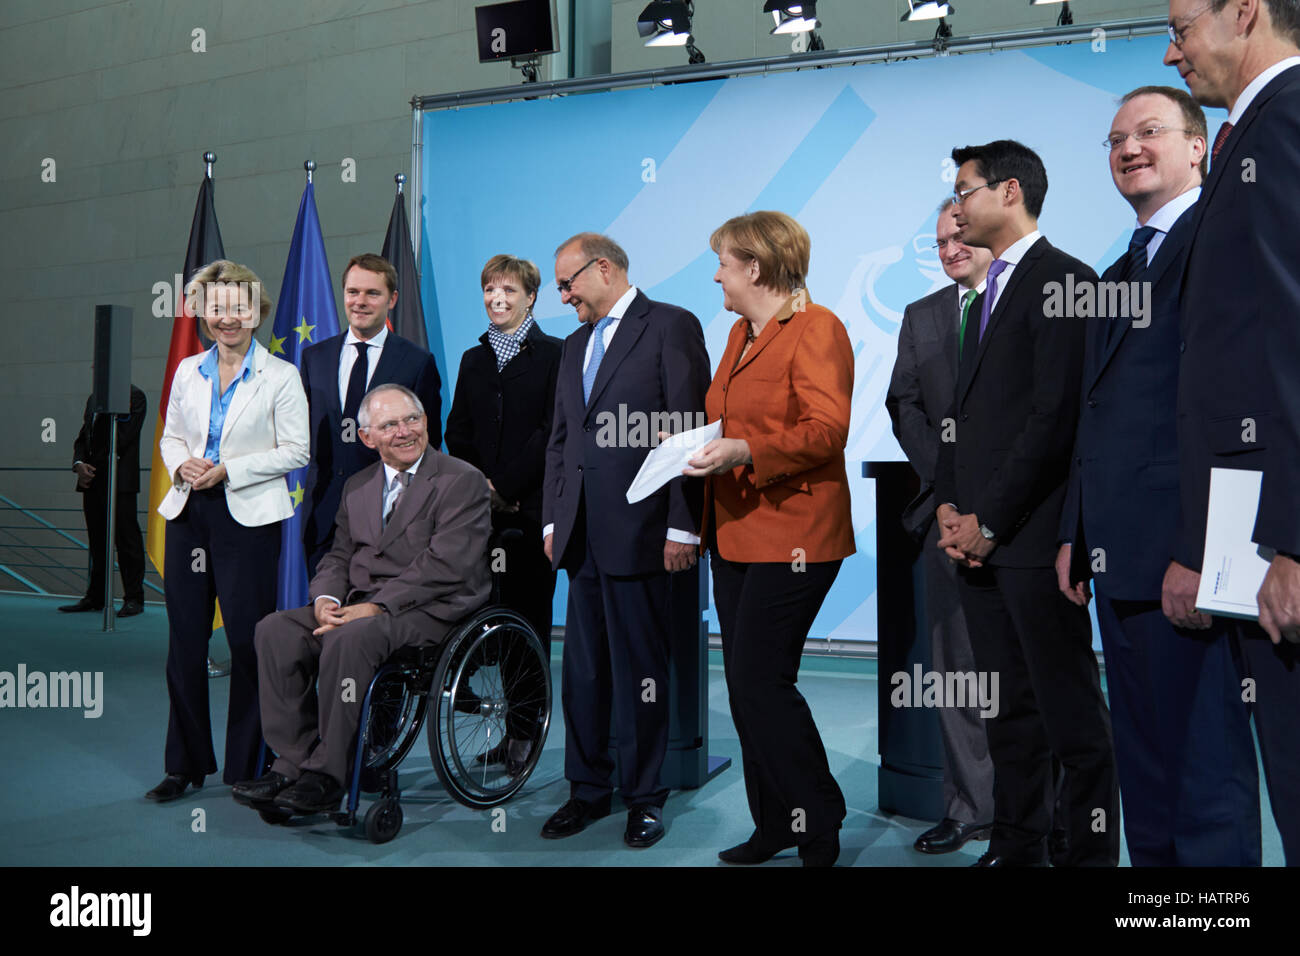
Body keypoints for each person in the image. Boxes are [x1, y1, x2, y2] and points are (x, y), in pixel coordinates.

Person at [1056, 85, 1261, 866]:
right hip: (1119, 564)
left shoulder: (1223, 241)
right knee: (1144, 774)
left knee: (1205, 776)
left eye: (1148, 132)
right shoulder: (1116, 273)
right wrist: (1076, 532)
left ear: (1198, 146)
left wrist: (1202, 552)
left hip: (1187, 562)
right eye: (1115, 140)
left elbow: (1236, 409)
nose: (1128, 149)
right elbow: (1098, 411)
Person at [934, 141, 1118, 866]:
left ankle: (1086, 855)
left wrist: (989, 520)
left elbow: (1054, 419)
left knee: (1070, 714)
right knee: (1007, 710)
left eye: (965, 191)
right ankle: (1018, 844)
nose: (956, 208)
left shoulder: (1066, 280)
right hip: (978, 543)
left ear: (1009, 191)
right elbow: (966, 414)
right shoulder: (988, 291)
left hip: (1036, 541)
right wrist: (951, 506)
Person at [1163, 0, 1300, 863]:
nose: (1170, 52)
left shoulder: (1284, 122)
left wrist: (1294, 542)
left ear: (1245, 11)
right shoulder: (1252, 134)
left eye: (1180, 28)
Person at [233, 384, 491, 814]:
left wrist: (375, 606)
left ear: (427, 422)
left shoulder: (460, 480)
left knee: (349, 637)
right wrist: (325, 599)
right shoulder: (357, 486)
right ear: (367, 437)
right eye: (389, 425)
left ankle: (328, 773)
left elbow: (446, 565)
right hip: (359, 603)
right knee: (275, 630)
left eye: (412, 419)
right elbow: (339, 555)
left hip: (431, 608)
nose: (404, 431)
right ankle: (293, 763)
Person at [684, 211, 853, 867]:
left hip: (796, 536)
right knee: (745, 686)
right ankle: (776, 823)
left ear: (755, 267)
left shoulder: (817, 327)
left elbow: (825, 430)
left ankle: (819, 816)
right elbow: (729, 418)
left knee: (761, 682)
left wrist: (746, 449)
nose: (716, 276)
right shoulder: (738, 333)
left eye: (723, 263)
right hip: (734, 535)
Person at [540, 233, 710, 849]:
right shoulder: (573, 345)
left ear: (604, 268)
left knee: (641, 672)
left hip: (643, 533)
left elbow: (688, 430)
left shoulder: (670, 326)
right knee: (583, 673)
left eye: (568, 284)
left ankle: (644, 798)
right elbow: (562, 438)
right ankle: (586, 790)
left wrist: (682, 525)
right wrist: (553, 520)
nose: (563, 297)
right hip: (579, 536)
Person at [149, 260, 309, 802]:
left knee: (247, 642)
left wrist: (230, 469)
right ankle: (184, 764)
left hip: (249, 521)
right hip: (188, 514)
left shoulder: (281, 375)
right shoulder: (187, 370)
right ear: (203, 312)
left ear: (257, 312)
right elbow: (171, 436)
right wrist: (183, 462)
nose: (227, 317)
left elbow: (297, 450)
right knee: (185, 642)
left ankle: (247, 764)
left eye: (239, 307)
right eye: (217, 307)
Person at [886, 200, 995, 855]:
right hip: (944, 519)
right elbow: (905, 405)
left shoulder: (1026, 302)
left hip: (1021, 521)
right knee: (956, 673)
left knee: (1029, 675)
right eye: (940, 242)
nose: (950, 249)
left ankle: (1039, 811)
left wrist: (993, 505)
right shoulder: (921, 315)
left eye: (960, 237)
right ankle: (969, 808)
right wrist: (949, 495)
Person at [445, 254, 562, 775]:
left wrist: (507, 487)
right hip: (479, 514)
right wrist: (482, 488)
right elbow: (457, 431)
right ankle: (491, 715)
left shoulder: (555, 355)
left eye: (509, 290)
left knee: (526, 624)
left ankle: (523, 731)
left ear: (531, 297)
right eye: (491, 289)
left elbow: (551, 432)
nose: (498, 298)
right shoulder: (473, 359)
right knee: (481, 616)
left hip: (532, 513)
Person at [300, 253, 443, 576]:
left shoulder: (416, 362)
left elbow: (428, 444)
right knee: (323, 603)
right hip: (323, 516)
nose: (360, 302)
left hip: (390, 519)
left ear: (392, 299)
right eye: (353, 292)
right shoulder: (314, 358)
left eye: (372, 293)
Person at [60, 382, 148, 617]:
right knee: (97, 541)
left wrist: (92, 467)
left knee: (127, 540)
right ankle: (95, 596)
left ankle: (134, 598)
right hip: (92, 481)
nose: (95, 368)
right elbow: (84, 437)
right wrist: (79, 464)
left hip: (119, 482)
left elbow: (122, 438)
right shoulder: (94, 399)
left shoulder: (134, 396)